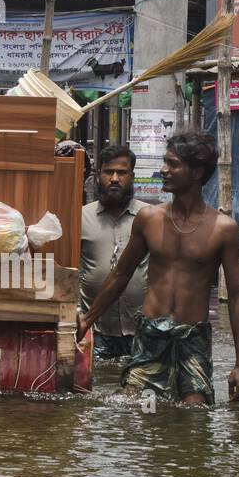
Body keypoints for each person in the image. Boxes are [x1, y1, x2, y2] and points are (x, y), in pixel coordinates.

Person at [77, 130, 239, 405]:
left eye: (172, 164)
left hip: (192, 338)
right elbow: (121, 274)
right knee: (132, 406)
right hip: (149, 335)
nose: (163, 170)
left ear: (196, 172)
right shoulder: (149, 219)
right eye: (164, 162)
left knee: (195, 415)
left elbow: (238, 295)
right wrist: (87, 320)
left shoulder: (223, 229)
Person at [80, 145, 148, 359]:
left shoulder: (151, 218)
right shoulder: (80, 218)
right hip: (95, 329)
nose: (115, 178)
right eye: (109, 172)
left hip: (142, 330)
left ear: (132, 176)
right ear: (98, 175)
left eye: (122, 172)